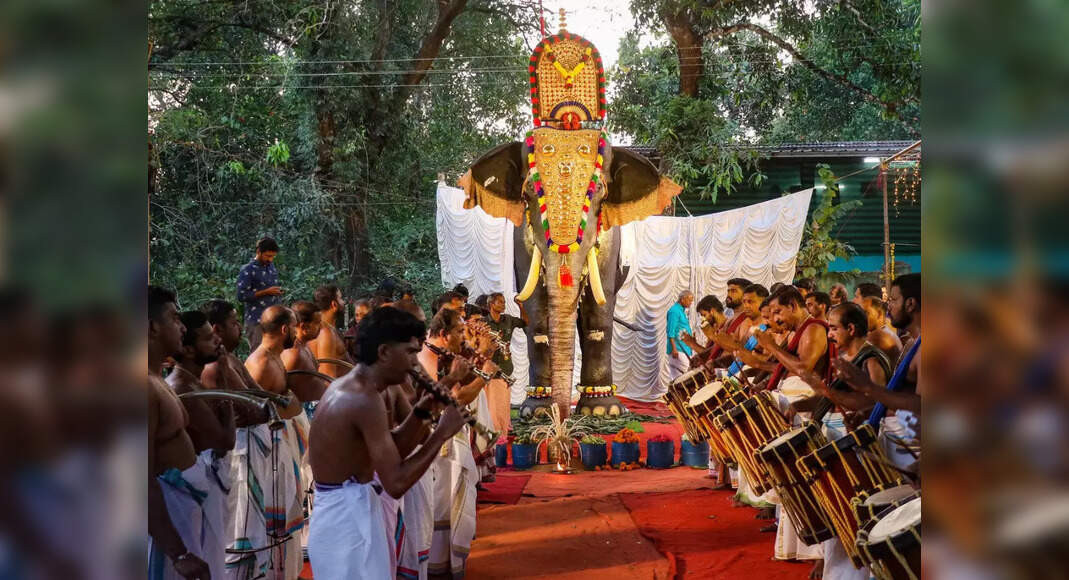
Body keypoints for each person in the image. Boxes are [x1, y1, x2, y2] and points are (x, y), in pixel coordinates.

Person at [307, 307, 470, 579]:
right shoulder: (361, 398)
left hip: (349, 514)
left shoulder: (365, 389)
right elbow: (395, 484)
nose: (414, 363)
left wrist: (423, 410)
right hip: (346, 525)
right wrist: (442, 432)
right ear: (383, 353)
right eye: (409, 352)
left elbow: (393, 449)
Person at [166, 311, 249, 580]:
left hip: (206, 487)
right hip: (192, 490)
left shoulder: (196, 381)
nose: (217, 341)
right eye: (208, 338)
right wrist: (225, 389)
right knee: (207, 559)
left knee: (214, 556)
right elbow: (225, 440)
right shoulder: (181, 387)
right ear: (188, 349)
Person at [418, 309, 496, 579]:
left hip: (443, 438)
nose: (464, 337)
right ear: (443, 334)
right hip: (440, 444)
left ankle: (444, 565)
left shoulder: (440, 355)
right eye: (459, 332)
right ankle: (440, 568)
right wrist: (484, 375)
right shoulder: (430, 358)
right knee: (443, 506)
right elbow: (458, 398)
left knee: (444, 506)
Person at [148, 286, 212, 580]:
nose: (183, 326)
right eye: (175, 318)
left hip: (184, 514)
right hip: (168, 533)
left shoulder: (154, 377)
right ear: (151, 327)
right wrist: (178, 553)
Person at [832, 273, 921, 470]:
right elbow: (901, 394)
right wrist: (868, 412)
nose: (888, 306)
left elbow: (921, 405)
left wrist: (868, 387)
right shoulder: (913, 343)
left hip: (911, 444)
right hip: (896, 435)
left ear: (911, 303)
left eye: (893, 300)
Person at [244, 306, 307, 579]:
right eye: (295, 327)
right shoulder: (260, 363)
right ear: (284, 329)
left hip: (283, 451)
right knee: (272, 528)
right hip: (268, 457)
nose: (297, 332)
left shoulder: (275, 357)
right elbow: (252, 416)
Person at [485, 292, 528, 434]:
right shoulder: (484, 323)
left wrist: (521, 306)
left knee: (504, 402)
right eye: (500, 302)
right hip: (489, 368)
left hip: (505, 367)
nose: (504, 305)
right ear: (491, 304)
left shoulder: (508, 320)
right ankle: (493, 429)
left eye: (504, 302)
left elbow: (525, 322)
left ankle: (503, 428)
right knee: (491, 403)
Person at [200, 299, 261, 391]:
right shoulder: (213, 367)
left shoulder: (231, 358)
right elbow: (247, 400)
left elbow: (257, 392)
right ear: (217, 329)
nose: (240, 327)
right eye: (234, 323)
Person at [236, 237, 283, 350]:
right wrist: (266, 292)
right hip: (256, 320)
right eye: (268, 256)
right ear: (258, 252)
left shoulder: (271, 267)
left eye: (273, 256)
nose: (270, 259)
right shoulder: (247, 270)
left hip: (272, 320)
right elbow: (241, 296)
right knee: (258, 354)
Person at [282, 301, 329, 412]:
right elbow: (281, 389)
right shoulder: (293, 353)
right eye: (317, 323)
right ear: (304, 327)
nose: (321, 326)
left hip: (319, 406)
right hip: (306, 412)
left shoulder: (304, 345)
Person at [310, 284, 353, 379]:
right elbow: (327, 377)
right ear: (334, 304)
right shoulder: (325, 333)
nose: (344, 302)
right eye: (341, 298)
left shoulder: (329, 329)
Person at [861, 296, 904, 363]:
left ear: (879, 314)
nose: (861, 317)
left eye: (866, 313)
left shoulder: (880, 339)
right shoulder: (884, 333)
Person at [666, 291, 695, 381]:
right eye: (689, 300)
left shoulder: (681, 311)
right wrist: (674, 348)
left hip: (684, 348)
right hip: (678, 349)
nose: (691, 303)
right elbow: (671, 331)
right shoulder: (674, 311)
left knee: (677, 380)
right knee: (690, 373)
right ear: (682, 299)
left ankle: (677, 395)